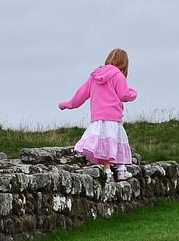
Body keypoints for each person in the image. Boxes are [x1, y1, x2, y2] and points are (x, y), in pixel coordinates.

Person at [59, 48, 137, 181]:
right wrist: (133, 93)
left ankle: (107, 172)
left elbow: (81, 94)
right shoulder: (118, 76)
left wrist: (68, 104)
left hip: (98, 118)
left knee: (103, 145)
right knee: (116, 142)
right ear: (124, 63)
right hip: (113, 117)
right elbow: (124, 95)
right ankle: (121, 170)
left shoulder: (94, 76)